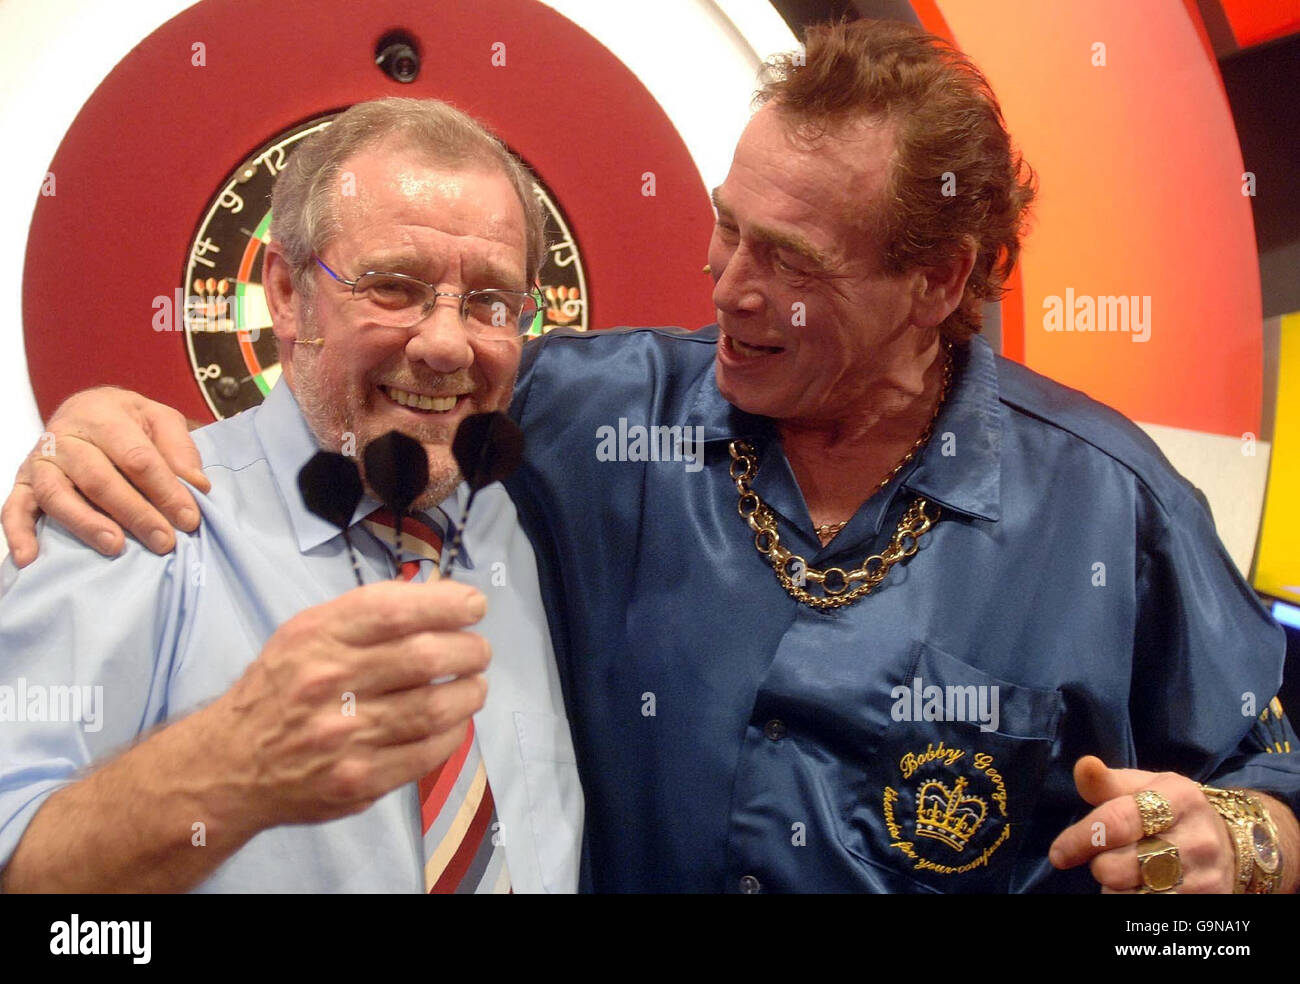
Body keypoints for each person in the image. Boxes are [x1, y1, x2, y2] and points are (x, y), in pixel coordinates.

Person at [6, 20, 1297, 894]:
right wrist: (92, 430)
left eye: (788, 263)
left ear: (936, 279)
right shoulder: (594, 414)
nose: (725, 287)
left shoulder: (1108, 508)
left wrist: (1241, 841)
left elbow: (1273, 775)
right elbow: (377, 377)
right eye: (727, 230)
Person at [0, 98, 582, 893]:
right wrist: (230, 765)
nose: (447, 344)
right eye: (393, 287)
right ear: (284, 291)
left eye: (489, 302)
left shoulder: (553, 529)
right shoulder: (129, 510)